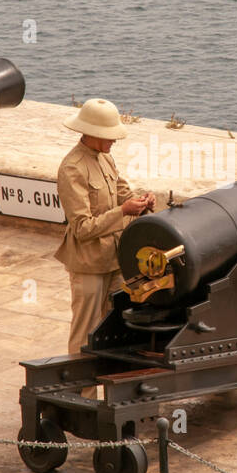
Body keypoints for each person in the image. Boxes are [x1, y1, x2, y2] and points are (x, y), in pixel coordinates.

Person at [54, 99, 155, 377]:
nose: (114, 141)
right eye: (109, 136)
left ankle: (116, 384)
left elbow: (123, 194)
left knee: (117, 326)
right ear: (91, 133)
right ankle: (82, 392)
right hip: (88, 263)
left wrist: (142, 201)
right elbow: (83, 228)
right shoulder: (73, 168)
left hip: (114, 260)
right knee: (85, 332)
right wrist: (123, 211)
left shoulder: (105, 158)